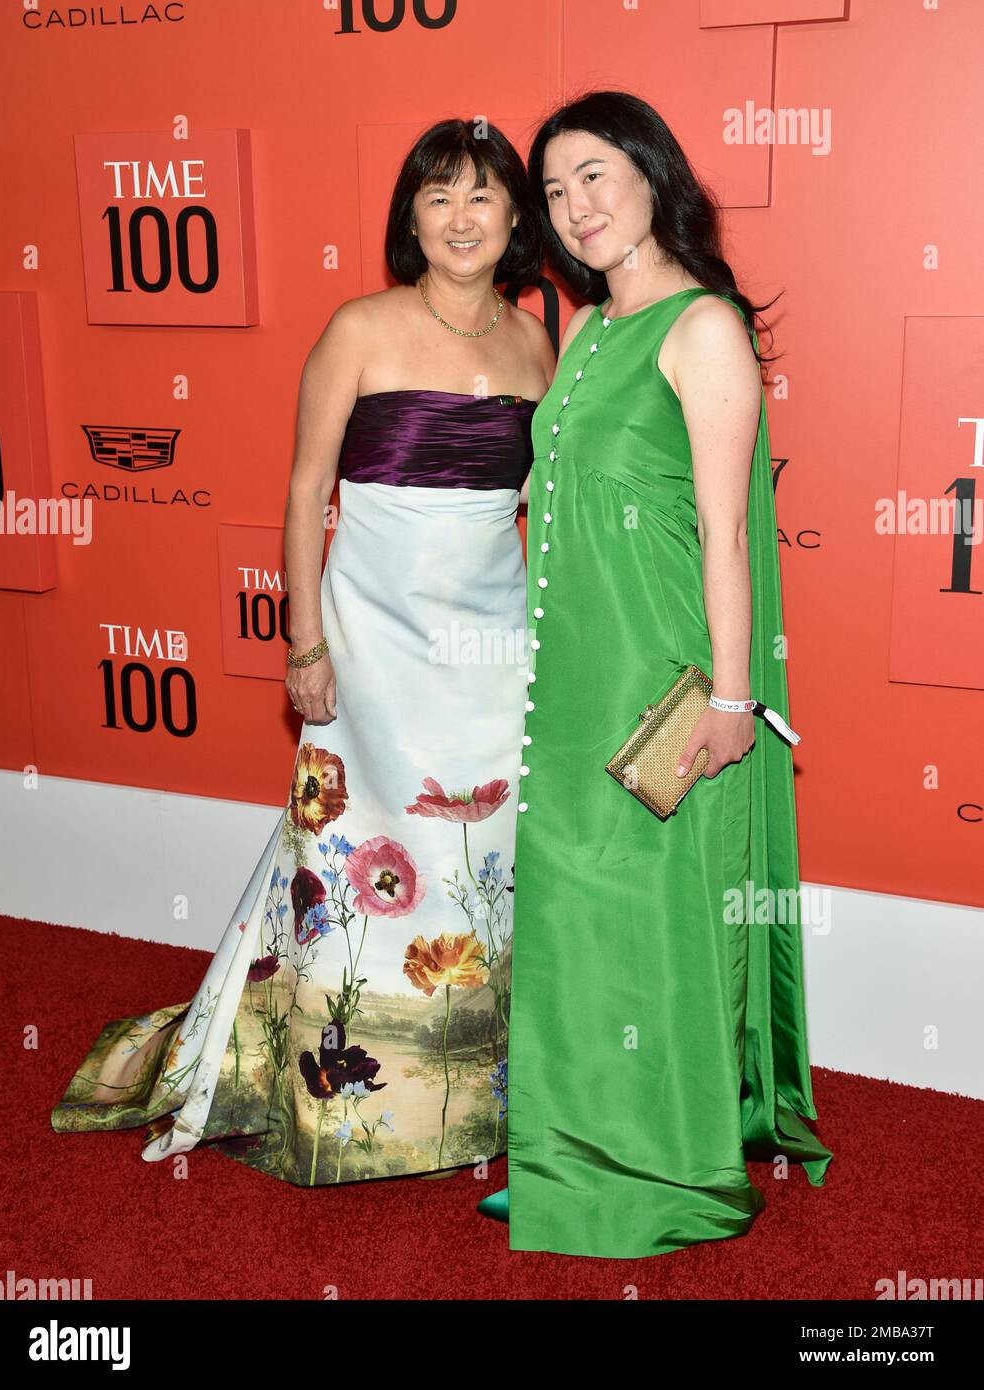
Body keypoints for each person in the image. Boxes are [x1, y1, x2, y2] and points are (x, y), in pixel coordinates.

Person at [51, 118, 555, 1187]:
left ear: (516, 217)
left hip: (491, 642)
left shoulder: (532, 343)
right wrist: (303, 640)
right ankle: (341, 1093)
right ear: (409, 217)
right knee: (365, 847)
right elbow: (301, 493)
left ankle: (471, 1091)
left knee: (477, 857)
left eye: (482, 197)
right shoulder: (360, 327)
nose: (461, 218)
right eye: (438, 196)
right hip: (370, 638)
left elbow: (531, 508)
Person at [476, 90, 833, 1256]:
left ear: (650, 174)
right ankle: (567, 1147)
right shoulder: (583, 331)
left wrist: (732, 699)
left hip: (659, 669)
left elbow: (729, 533)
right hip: (572, 666)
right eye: (556, 188)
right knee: (576, 910)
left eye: (594, 176)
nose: (574, 207)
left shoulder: (703, 327)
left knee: (650, 913)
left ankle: (665, 1161)